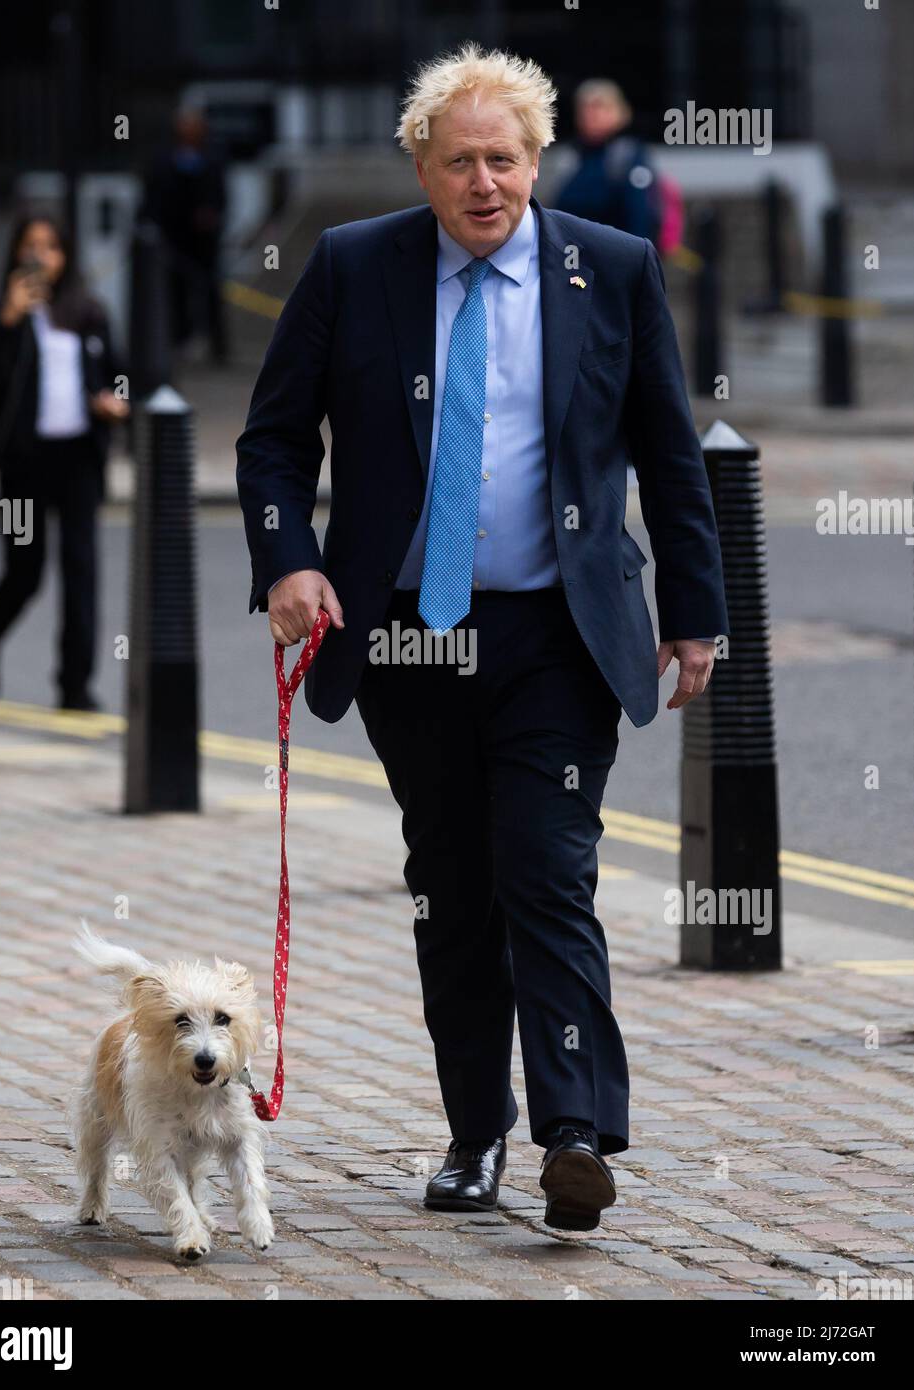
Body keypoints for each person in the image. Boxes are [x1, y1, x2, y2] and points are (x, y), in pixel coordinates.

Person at [236, 43, 728, 1232]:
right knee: (449, 890)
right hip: (409, 636)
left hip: (555, 633)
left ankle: (572, 1130)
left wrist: (696, 611)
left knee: (545, 870)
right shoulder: (357, 267)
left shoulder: (607, 268)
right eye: (458, 161)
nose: (483, 182)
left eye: (502, 158)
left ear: (536, 158)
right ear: (420, 164)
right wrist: (288, 559)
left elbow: (669, 447)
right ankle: (475, 1132)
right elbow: (270, 439)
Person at [0, 213, 128, 710]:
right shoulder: (6, 315)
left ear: (66, 257)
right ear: (16, 253)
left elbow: (119, 378)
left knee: (82, 572)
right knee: (25, 573)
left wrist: (113, 402)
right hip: (24, 463)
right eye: (31, 245)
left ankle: (74, 685)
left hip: (78, 457)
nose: (41, 255)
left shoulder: (89, 314)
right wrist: (8, 319)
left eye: (52, 247)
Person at [141, 108, 228, 364]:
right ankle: (178, 341)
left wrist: (212, 216)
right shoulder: (163, 160)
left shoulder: (212, 159)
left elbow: (221, 196)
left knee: (210, 291)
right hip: (173, 240)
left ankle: (217, 345)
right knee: (174, 292)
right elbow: (152, 199)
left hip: (205, 242)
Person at [553, 78, 660, 243]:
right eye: (584, 108)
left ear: (619, 112)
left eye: (599, 107)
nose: (590, 115)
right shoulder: (572, 156)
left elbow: (640, 217)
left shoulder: (628, 155)